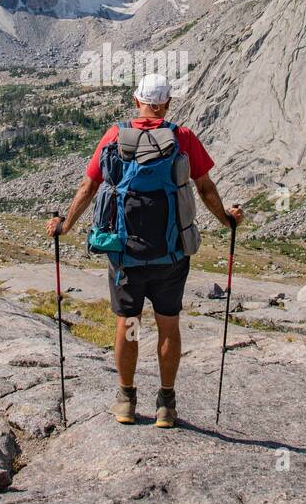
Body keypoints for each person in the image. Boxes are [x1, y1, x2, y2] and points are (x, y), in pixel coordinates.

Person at [47, 72, 242, 428]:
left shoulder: (114, 136)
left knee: (129, 323)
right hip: (171, 254)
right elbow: (205, 188)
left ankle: (126, 399)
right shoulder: (182, 138)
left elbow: (89, 185)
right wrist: (226, 219)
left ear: (137, 101)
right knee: (168, 326)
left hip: (126, 255)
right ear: (166, 103)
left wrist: (65, 225)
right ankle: (166, 403)